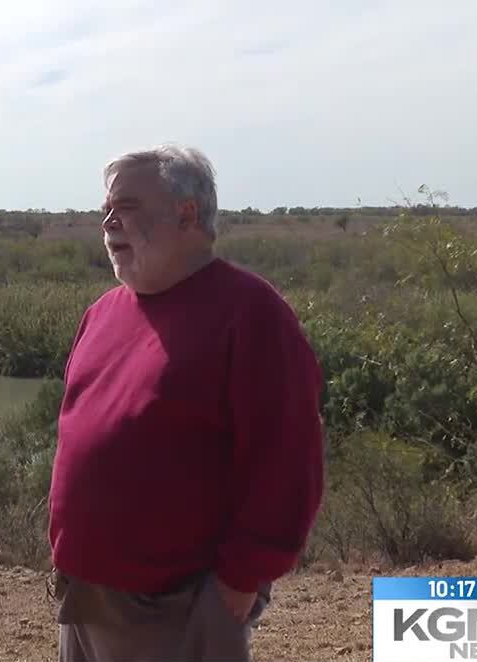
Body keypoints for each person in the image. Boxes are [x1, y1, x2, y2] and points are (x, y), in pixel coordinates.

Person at [48, 144, 325, 662]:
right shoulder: (103, 313)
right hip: (86, 598)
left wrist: (238, 582)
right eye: (105, 208)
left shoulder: (250, 314)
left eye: (125, 206)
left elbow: (288, 462)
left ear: (186, 213)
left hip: (179, 608)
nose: (108, 222)